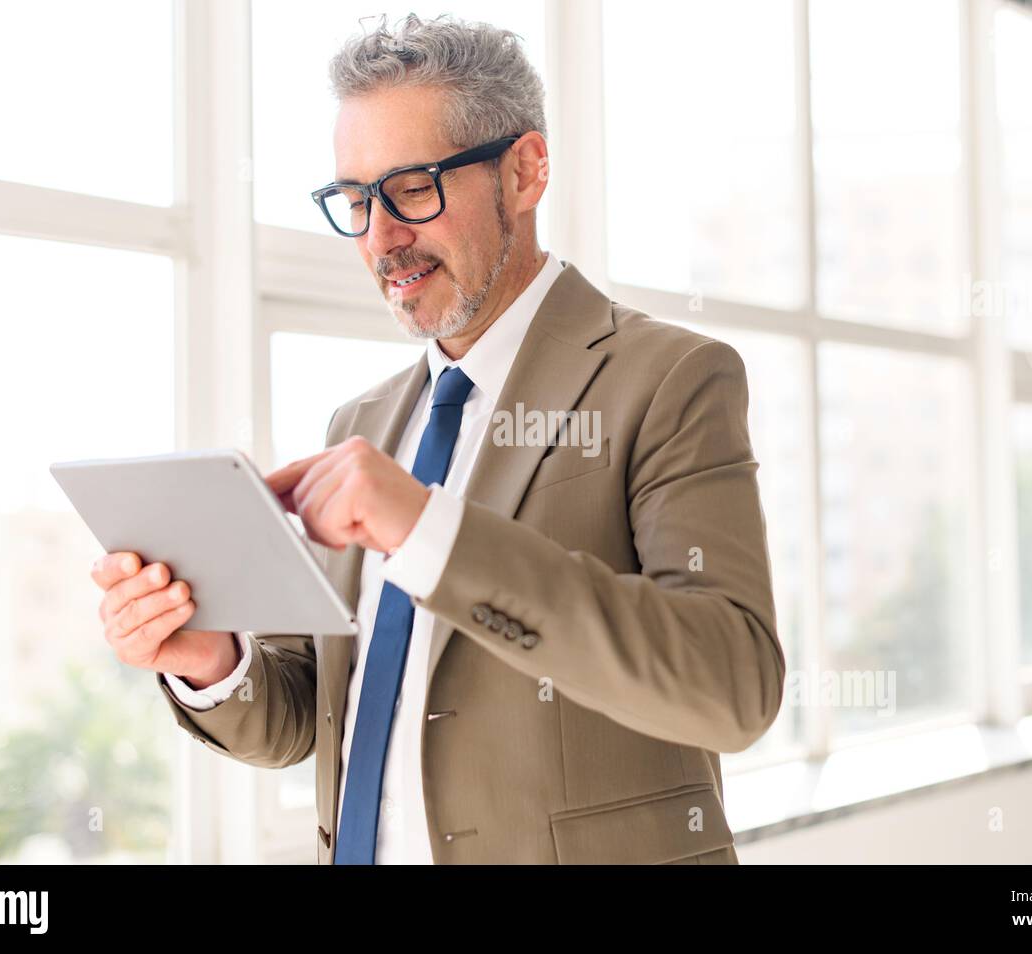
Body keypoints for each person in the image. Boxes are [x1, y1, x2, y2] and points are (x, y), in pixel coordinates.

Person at [90, 13, 784, 865]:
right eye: (355, 200)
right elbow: (320, 716)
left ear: (525, 171)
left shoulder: (669, 380)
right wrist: (211, 659)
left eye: (413, 188)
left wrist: (426, 529)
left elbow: (732, 686)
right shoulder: (363, 425)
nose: (381, 239)